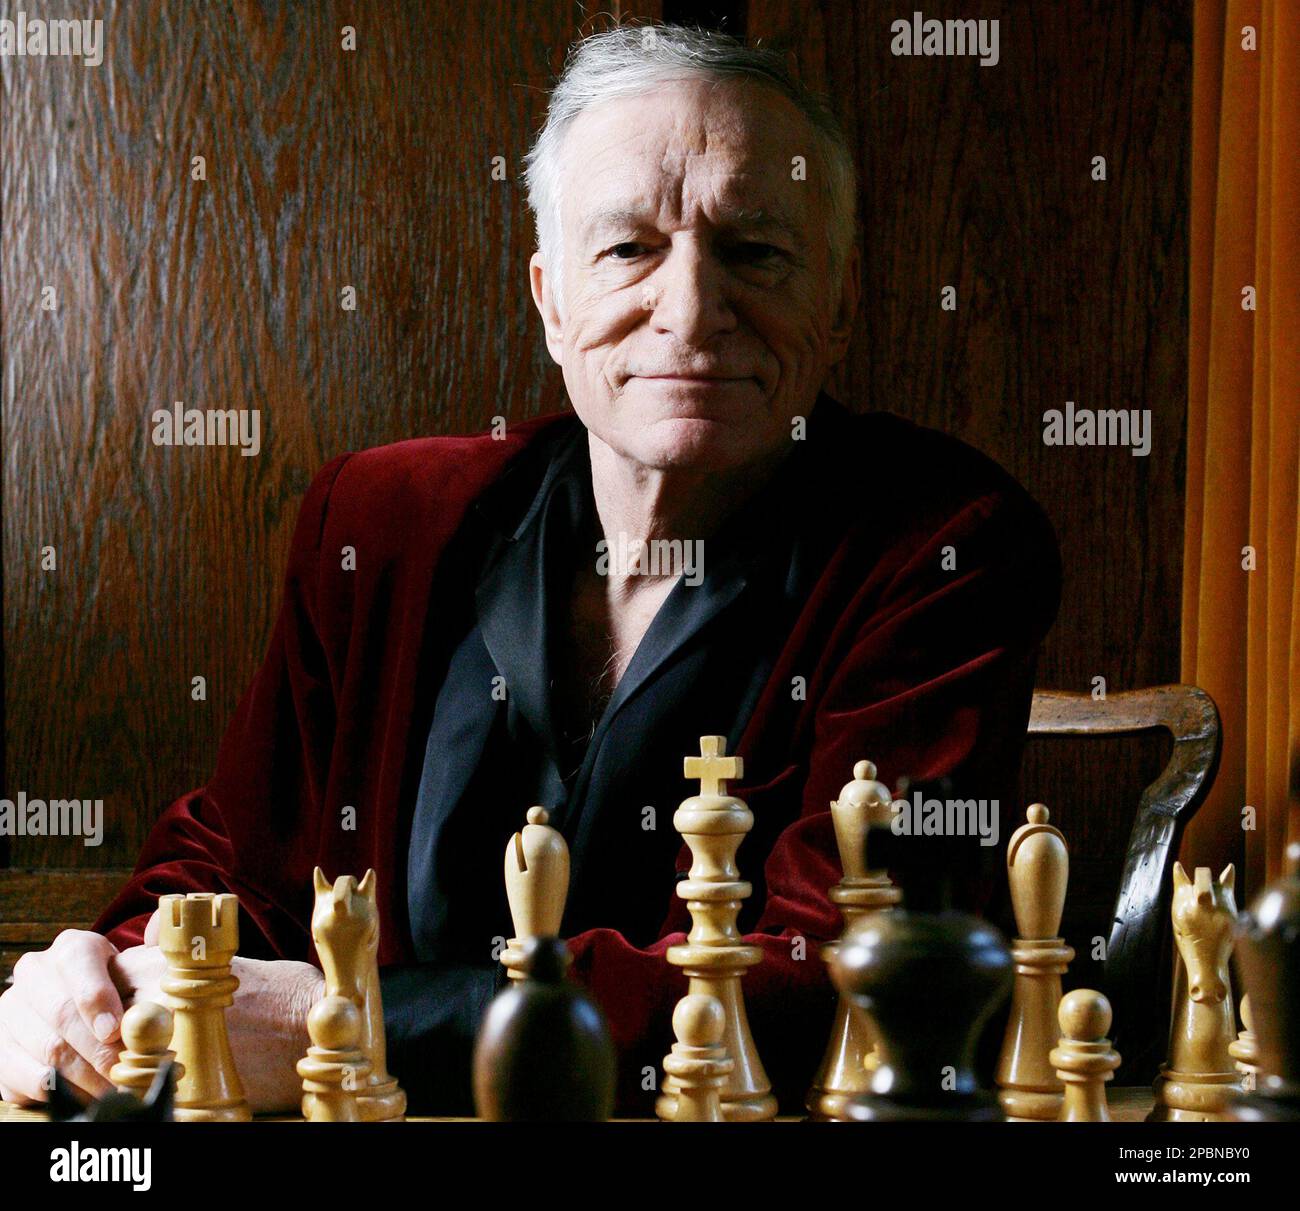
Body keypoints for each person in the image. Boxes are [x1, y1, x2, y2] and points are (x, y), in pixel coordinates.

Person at [0, 24, 1061, 1114]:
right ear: (552, 300)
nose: (691, 309)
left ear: (838, 301)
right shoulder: (382, 519)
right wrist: (94, 975)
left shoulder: (945, 542)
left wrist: (354, 1023)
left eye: (756, 251)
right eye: (628, 249)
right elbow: (235, 866)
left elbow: (857, 977)